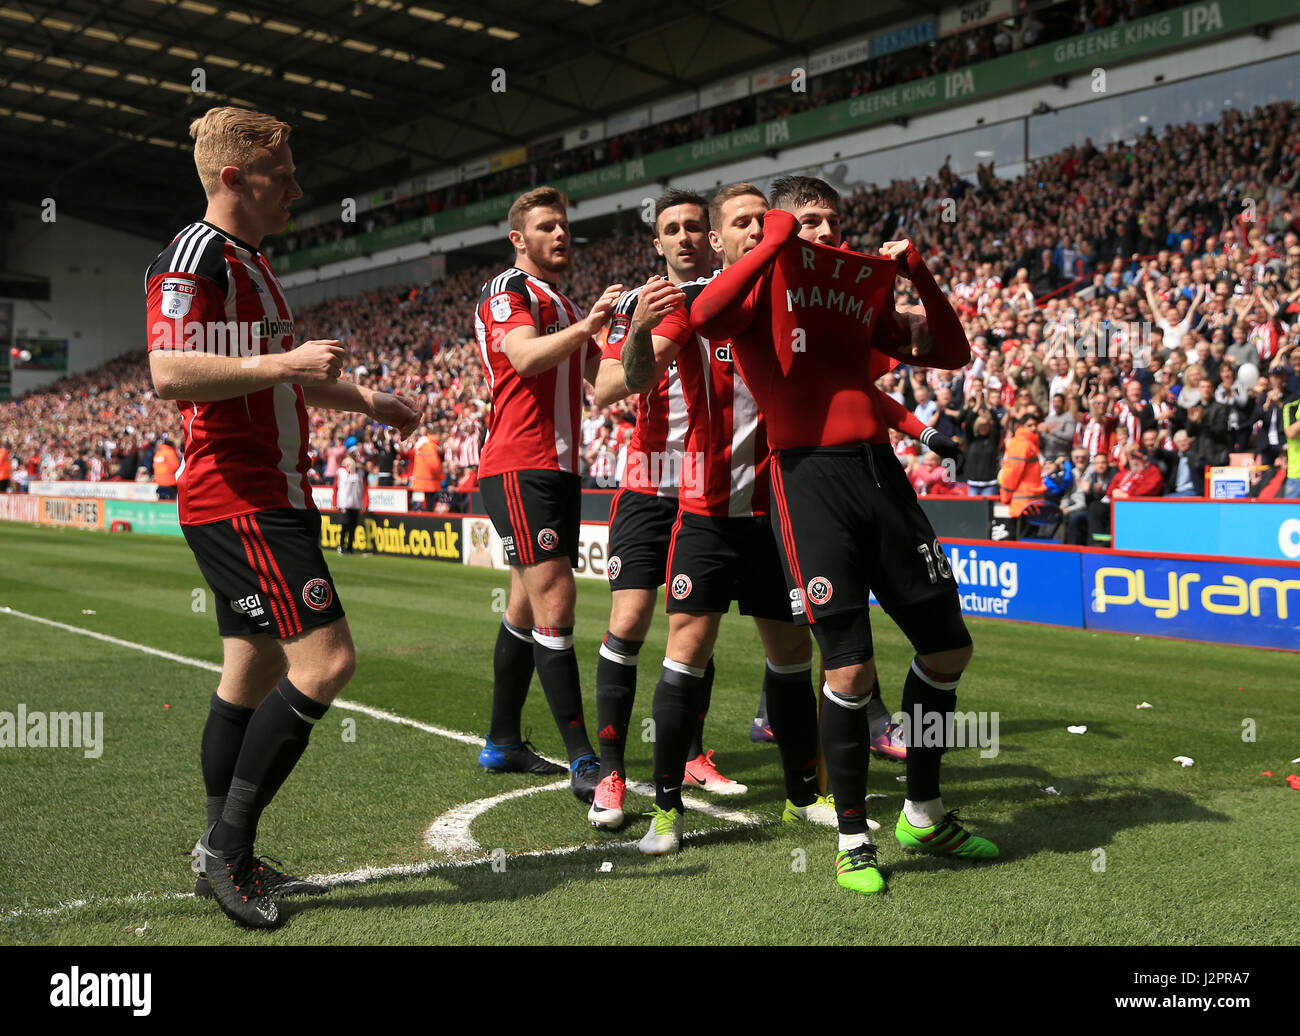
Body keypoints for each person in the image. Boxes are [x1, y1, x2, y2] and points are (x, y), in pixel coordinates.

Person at [145, 107, 421, 929]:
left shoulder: (250, 262)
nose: (299, 188)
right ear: (234, 178)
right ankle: (228, 852)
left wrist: (364, 397)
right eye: (285, 174)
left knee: (250, 672)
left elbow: (277, 379)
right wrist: (283, 360)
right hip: (242, 498)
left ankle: (219, 850)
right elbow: (166, 371)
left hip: (269, 493)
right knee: (327, 661)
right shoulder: (195, 255)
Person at [690, 176, 996, 895]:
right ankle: (854, 838)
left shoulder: (854, 293)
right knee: (850, 669)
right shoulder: (758, 288)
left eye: (832, 220)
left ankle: (923, 811)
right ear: (778, 226)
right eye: (809, 221)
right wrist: (771, 243)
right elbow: (704, 315)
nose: (825, 232)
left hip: (880, 475)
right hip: (807, 482)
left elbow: (950, 354)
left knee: (949, 646)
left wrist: (916, 273)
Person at [616, 182, 838, 857]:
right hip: (707, 513)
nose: (755, 229)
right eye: (741, 222)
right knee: (688, 650)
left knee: (793, 655)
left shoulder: (796, 304)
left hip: (776, 518)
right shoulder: (694, 305)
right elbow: (632, 376)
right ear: (717, 238)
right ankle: (665, 813)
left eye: (761, 219)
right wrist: (634, 334)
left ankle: (806, 795)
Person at [584, 189, 746, 830]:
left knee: (697, 631)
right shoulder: (640, 306)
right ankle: (612, 772)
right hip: (650, 482)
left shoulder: (733, 297)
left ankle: (688, 755)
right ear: (657, 243)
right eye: (670, 229)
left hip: (711, 484)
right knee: (629, 620)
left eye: (693, 227)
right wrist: (645, 326)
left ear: (711, 236)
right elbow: (606, 388)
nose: (683, 236)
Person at [472, 185, 621, 801]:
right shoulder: (508, 290)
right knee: (556, 603)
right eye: (546, 227)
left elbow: (607, 381)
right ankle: (584, 759)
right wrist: (589, 324)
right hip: (519, 467)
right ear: (518, 239)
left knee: (525, 609)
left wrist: (652, 337)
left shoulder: (561, 300)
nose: (560, 235)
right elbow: (526, 357)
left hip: (556, 471)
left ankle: (502, 741)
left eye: (564, 225)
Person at [332, 455, 369, 554]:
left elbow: (365, 489)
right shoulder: (341, 473)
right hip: (344, 504)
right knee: (344, 525)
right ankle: (341, 545)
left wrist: (365, 503)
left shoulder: (360, 473)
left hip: (356, 504)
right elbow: (335, 488)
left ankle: (350, 547)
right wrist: (334, 502)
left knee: (353, 526)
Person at [152, 435, 180, 500]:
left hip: (159, 481)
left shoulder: (158, 453)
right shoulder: (170, 452)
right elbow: (176, 466)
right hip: (170, 482)